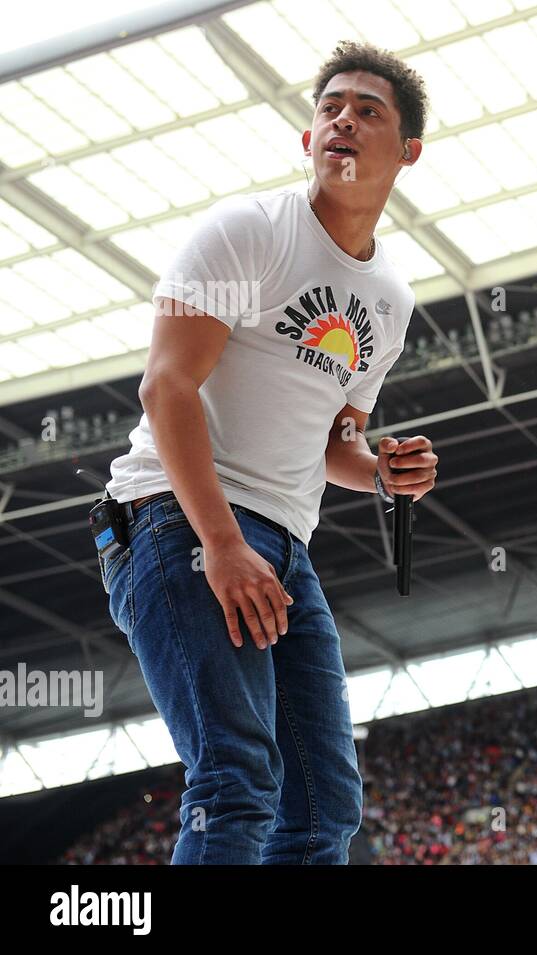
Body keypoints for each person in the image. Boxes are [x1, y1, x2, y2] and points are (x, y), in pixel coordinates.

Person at [98, 41, 437, 864]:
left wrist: (384, 470)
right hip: (175, 520)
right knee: (237, 780)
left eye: (368, 110)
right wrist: (221, 542)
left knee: (325, 808)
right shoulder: (248, 231)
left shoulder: (389, 300)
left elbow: (337, 443)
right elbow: (166, 390)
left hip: (287, 546)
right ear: (307, 136)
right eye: (331, 107)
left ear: (409, 151)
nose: (343, 120)